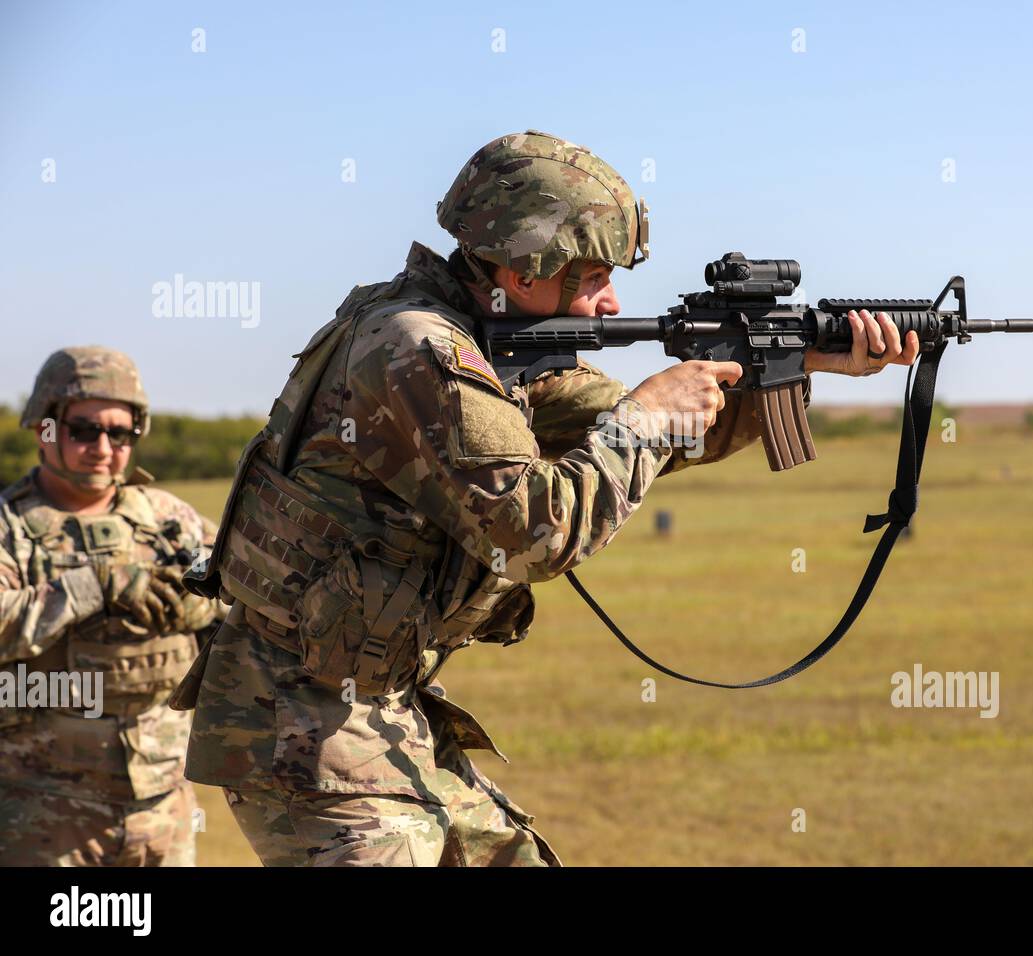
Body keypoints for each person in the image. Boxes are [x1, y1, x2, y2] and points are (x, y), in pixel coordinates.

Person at [177, 129, 918, 867]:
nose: (610, 299)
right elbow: (537, 531)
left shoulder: (492, 344)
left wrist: (786, 370)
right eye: (593, 273)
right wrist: (647, 418)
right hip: (301, 725)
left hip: (379, 711)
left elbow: (641, 440)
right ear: (524, 265)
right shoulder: (418, 348)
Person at [0, 347, 223, 866]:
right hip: (40, 810)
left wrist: (204, 608)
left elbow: (253, 600)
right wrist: (92, 585)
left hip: (162, 807)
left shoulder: (170, 520)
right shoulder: (10, 528)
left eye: (120, 433)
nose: (103, 447)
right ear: (44, 429)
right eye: (83, 430)